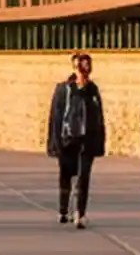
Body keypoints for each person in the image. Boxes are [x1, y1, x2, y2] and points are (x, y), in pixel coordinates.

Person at [46, 52, 106, 229]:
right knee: (66, 175)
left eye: (87, 65)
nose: (84, 69)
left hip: (87, 141)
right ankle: (64, 209)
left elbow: (99, 117)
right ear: (74, 67)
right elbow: (55, 117)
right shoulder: (63, 89)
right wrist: (54, 142)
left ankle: (80, 213)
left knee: (83, 177)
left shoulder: (93, 90)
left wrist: (100, 141)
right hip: (67, 139)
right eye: (81, 65)